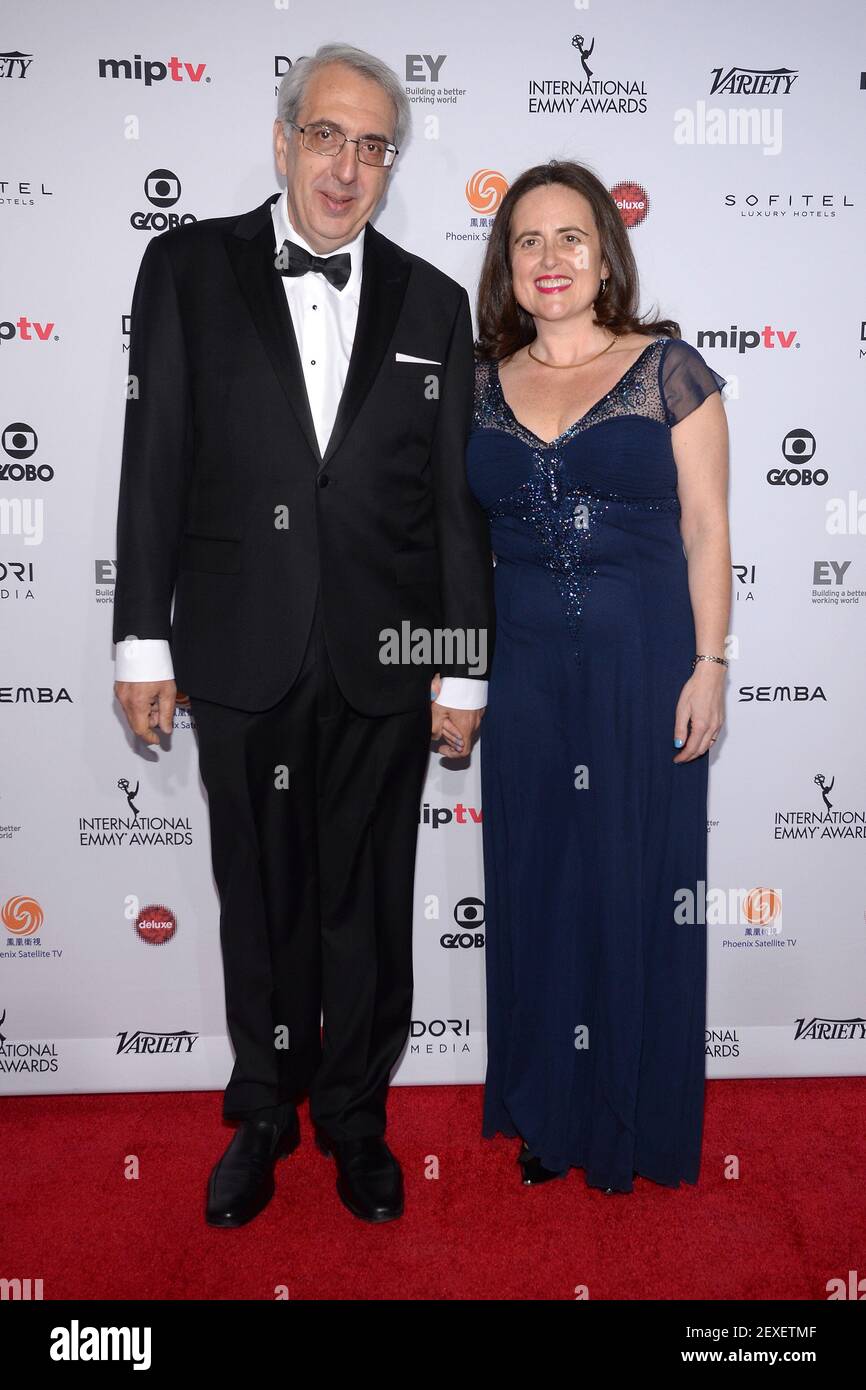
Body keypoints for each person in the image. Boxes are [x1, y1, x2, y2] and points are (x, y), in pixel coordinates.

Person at [112, 43, 493, 1226]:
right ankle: (263, 1112)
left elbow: (450, 508)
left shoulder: (434, 301)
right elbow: (155, 460)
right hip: (237, 645)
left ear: (390, 164)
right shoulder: (184, 267)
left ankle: (354, 1118)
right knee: (260, 898)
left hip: (387, 660)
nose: (345, 165)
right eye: (325, 134)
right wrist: (141, 641)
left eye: (371, 145)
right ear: (280, 139)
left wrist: (462, 663)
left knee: (369, 904)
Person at [461, 159, 729, 1194]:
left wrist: (709, 662)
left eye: (569, 235)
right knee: (538, 887)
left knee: (635, 882)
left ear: (603, 252)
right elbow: (449, 550)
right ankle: (549, 1108)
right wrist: (455, 677)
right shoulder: (478, 385)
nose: (549, 257)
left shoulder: (668, 369)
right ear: (507, 265)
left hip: (643, 668)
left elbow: (707, 528)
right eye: (526, 240)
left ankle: (632, 1110)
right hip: (524, 677)